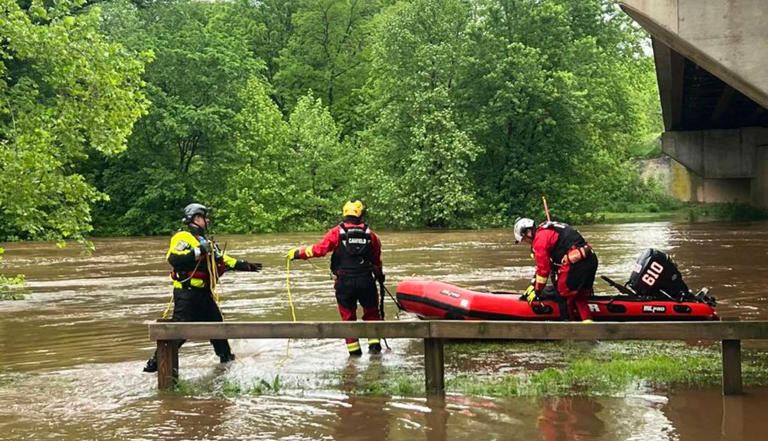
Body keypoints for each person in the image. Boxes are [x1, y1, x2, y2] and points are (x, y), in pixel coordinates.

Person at [143, 203, 262, 373]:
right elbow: (174, 258)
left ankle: (226, 362)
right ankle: (156, 363)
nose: (207, 220)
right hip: (187, 294)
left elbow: (222, 260)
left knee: (218, 328)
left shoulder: (206, 241)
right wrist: (199, 251)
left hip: (204, 294)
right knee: (180, 331)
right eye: (205, 217)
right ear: (196, 218)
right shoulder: (183, 237)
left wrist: (244, 265)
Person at [286, 200, 385, 356]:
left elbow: (320, 250)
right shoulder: (371, 235)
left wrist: (299, 253)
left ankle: (354, 356)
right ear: (361, 214)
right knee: (372, 314)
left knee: (348, 318)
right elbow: (376, 260)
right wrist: (380, 276)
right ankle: (375, 352)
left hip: (344, 283)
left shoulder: (336, 232)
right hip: (366, 281)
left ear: (345, 213)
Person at [514, 218, 598, 323]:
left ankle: (568, 326)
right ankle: (589, 325)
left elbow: (543, 271)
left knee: (563, 295)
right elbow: (545, 266)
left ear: (528, 233)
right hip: (590, 259)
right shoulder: (547, 229)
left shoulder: (539, 241)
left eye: (524, 240)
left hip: (575, 264)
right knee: (580, 298)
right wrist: (533, 284)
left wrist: (537, 291)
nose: (526, 243)